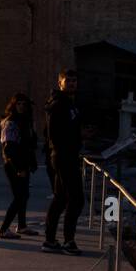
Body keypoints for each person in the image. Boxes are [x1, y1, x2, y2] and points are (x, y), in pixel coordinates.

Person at [43, 70, 84, 255]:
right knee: (76, 198)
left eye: (75, 81)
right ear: (60, 83)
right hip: (63, 156)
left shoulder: (70, 104)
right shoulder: (58, 104)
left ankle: (50, 240)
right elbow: (54, 134)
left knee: (60, 198)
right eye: (68, 81)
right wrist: (66, 149)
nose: (72, 84)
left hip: (67, 155)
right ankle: (69, 240)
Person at [0, 93, 39, 239]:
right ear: (14, 106)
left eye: (24, 104)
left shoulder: (26, 121)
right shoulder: (10, 123)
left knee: (24, 195)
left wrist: (31, 162)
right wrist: (17, 169)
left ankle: (21, 225)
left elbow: (30, 144)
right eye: (18, 104)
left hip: (24, 163)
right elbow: (8, 149)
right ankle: (3, 229)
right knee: (19, 197)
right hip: (13, 165)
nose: (21, 107)